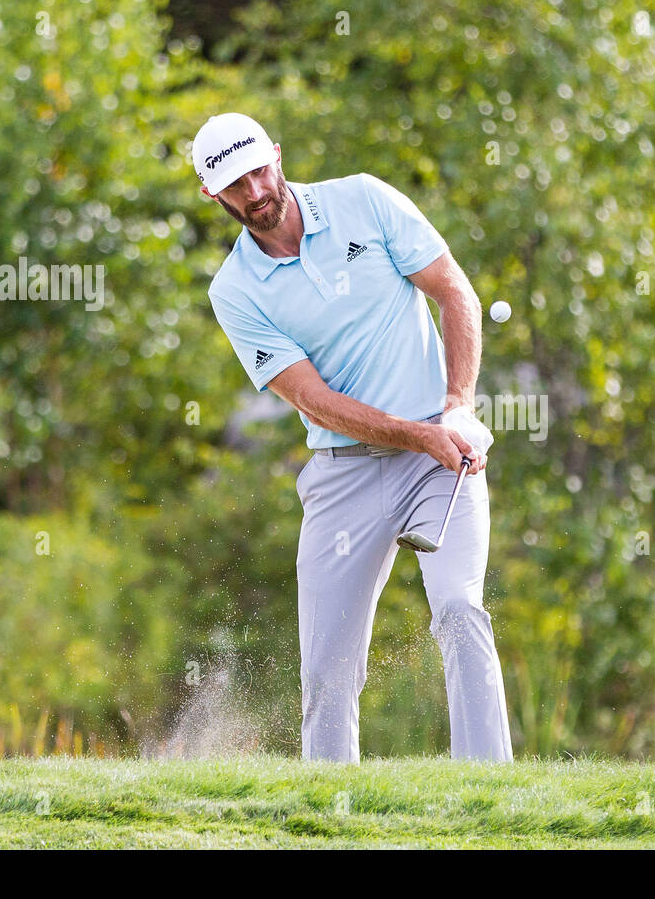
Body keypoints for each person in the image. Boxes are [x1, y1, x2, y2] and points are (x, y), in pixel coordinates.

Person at [192, 113, 513, 763]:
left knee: (458, 608)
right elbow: (315, 401)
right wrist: (418, 435)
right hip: (346, 475)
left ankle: (490, 794)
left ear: (277, 155)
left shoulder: (363, 199)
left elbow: (455, 293)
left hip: (440, 459)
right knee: (328, 671)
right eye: (234, 184)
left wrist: (455, 408)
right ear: (213, 196)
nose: (254, 191)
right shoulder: (234, 290)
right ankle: (329, 815)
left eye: (259, 170)